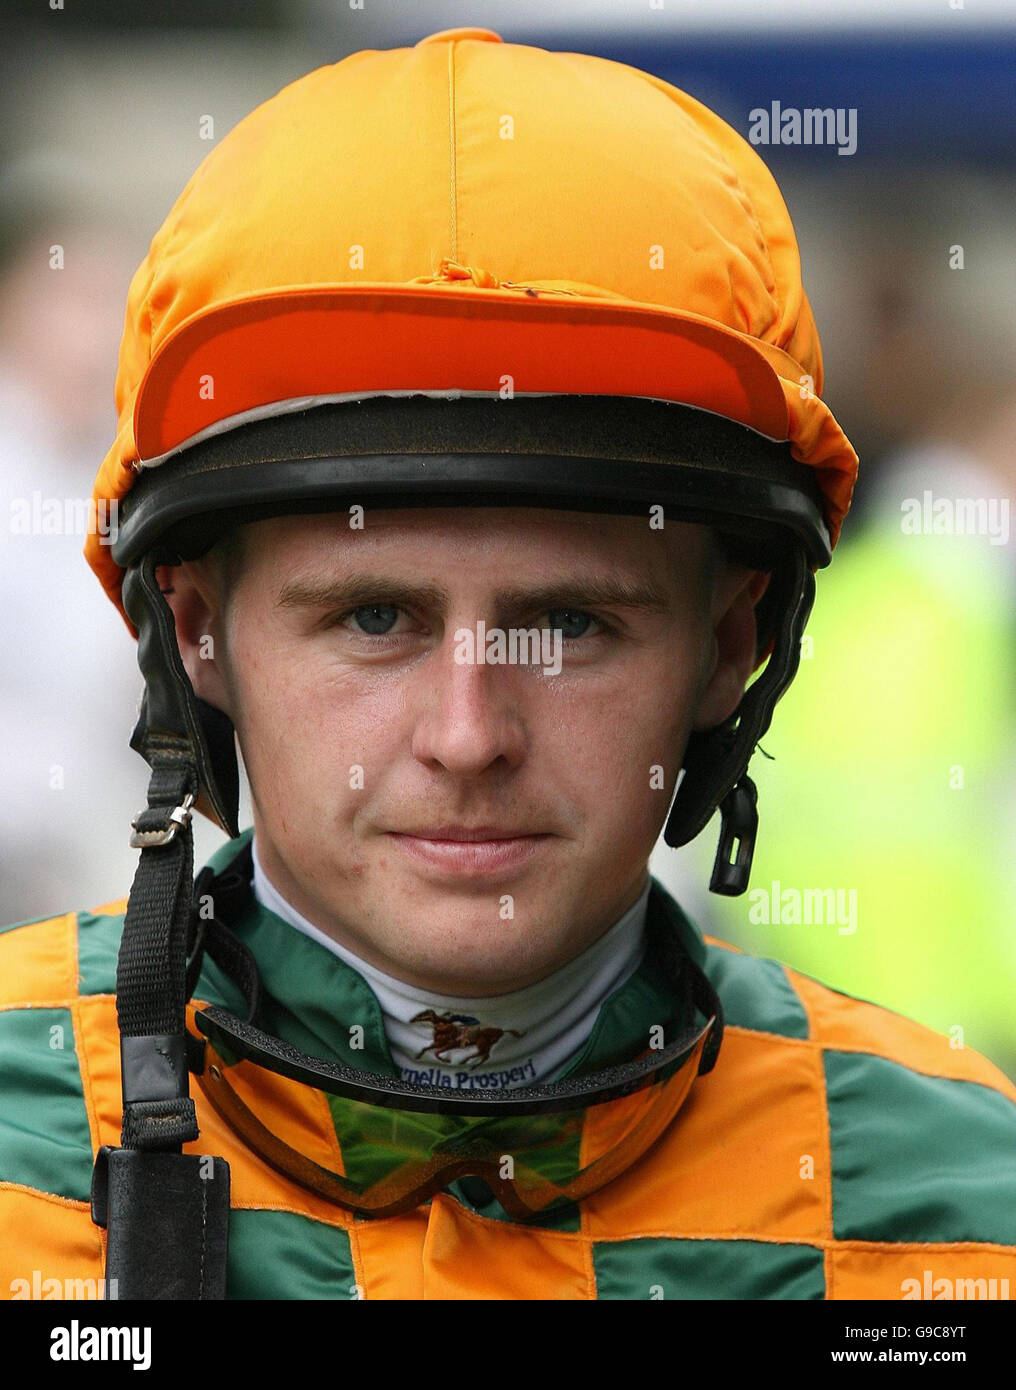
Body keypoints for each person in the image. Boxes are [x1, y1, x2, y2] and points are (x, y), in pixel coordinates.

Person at [2, 27, 1013, 1303]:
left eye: (571, 624)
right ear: (196, 635)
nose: (468, 735)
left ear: (728, 649)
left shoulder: (975, 1213)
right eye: (375, 619)